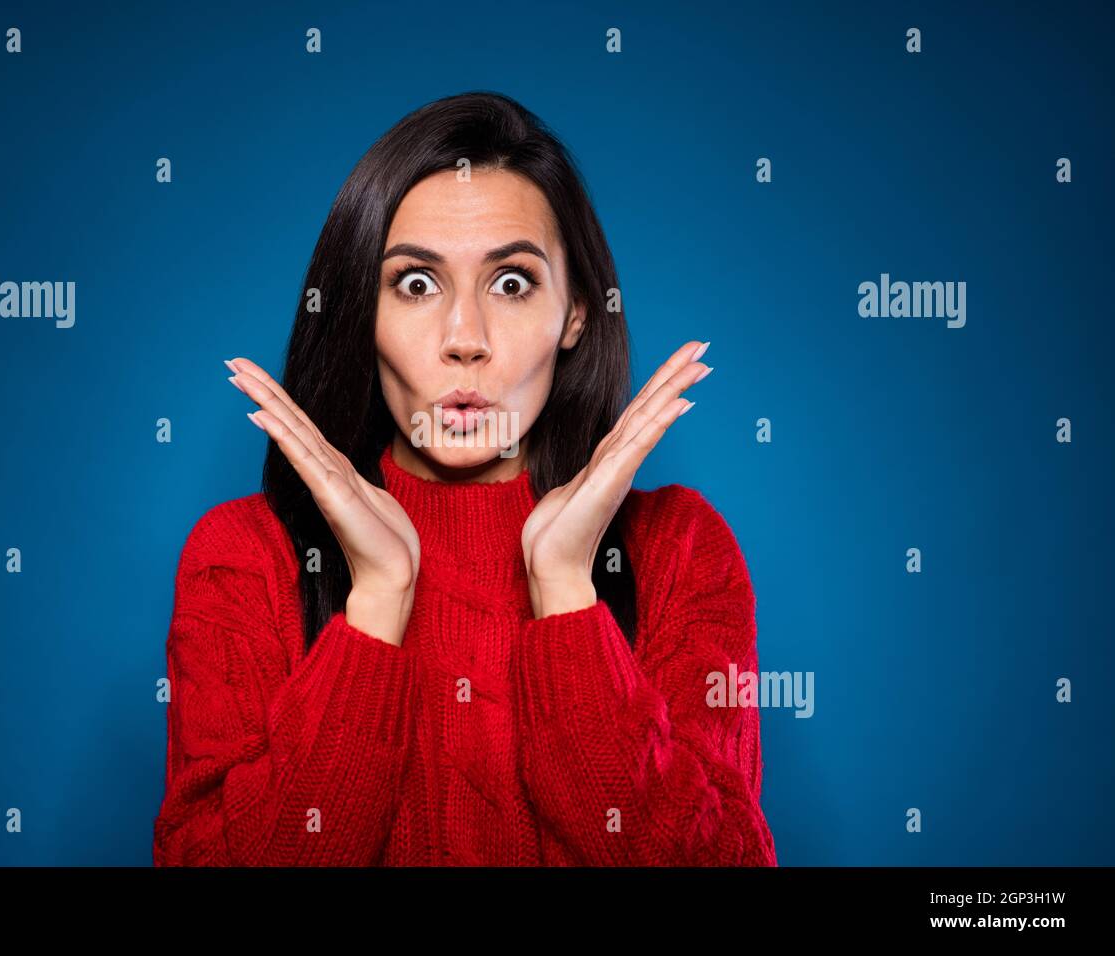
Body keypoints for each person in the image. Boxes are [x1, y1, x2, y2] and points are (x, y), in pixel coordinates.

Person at [152, 91, 776, 866]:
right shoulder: (244, 556)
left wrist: (568, 599)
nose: (464, 340)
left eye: (511, 283)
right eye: (415, 284)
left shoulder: (679, 549)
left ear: (576, 312)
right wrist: (377, 605)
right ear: (359, 311)